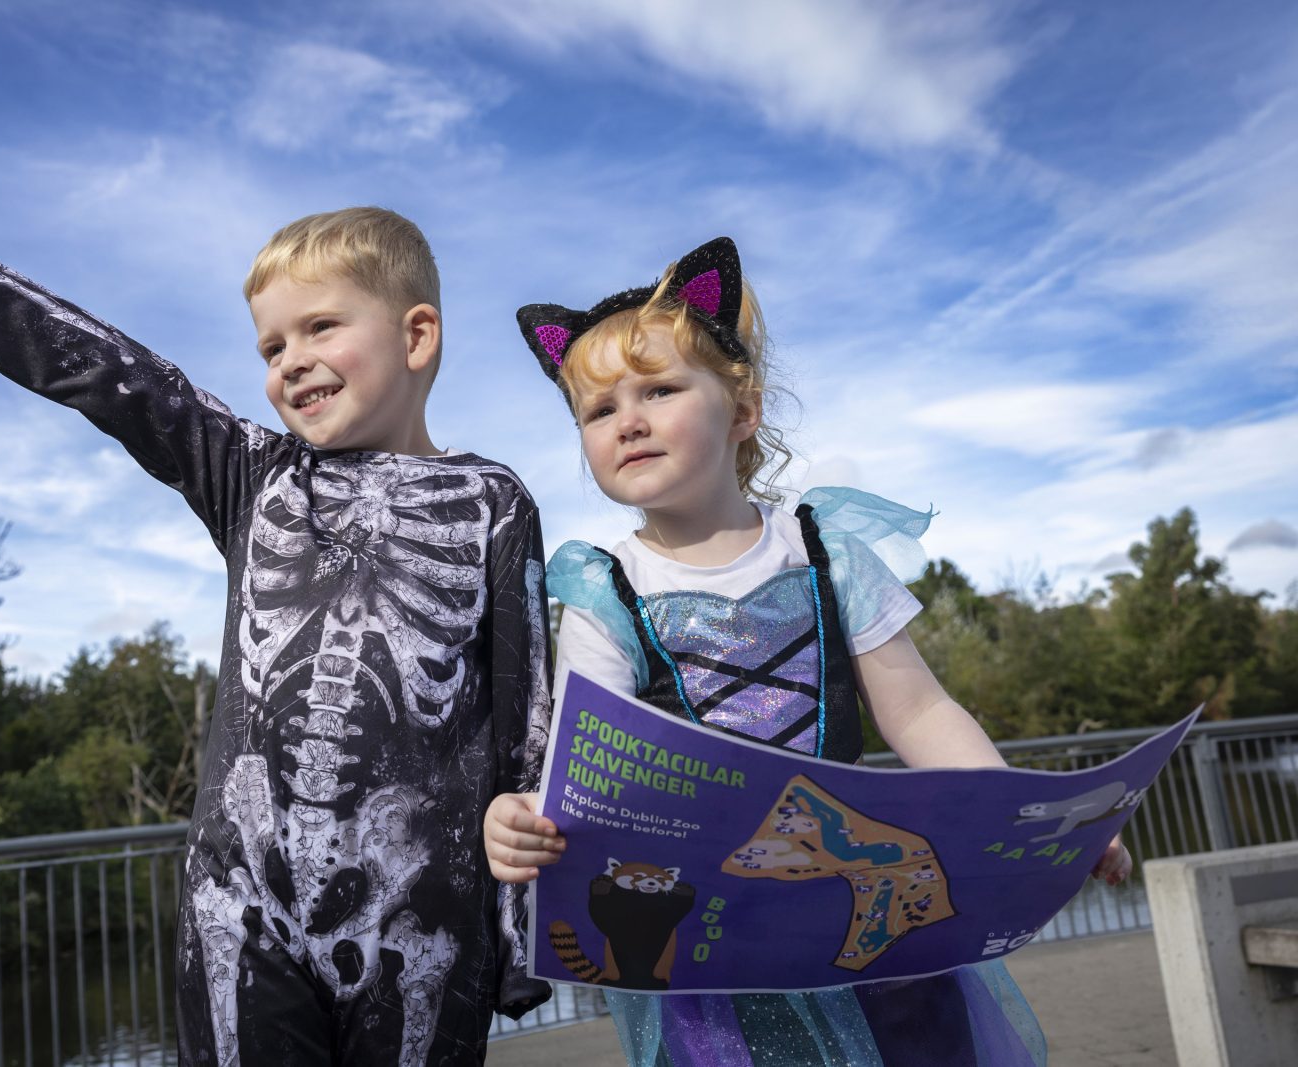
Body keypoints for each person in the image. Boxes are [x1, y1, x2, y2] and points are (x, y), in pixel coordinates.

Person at [0, 172, 555, 1065]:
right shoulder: (257, 480)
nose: (289, 361)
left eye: (321, 327)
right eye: (271, 345)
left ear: (417, 334)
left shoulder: (492, 499)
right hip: (241, 910)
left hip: (423, 917)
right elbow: (122, 381)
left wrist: (521, 932)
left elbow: (529, 711)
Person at [484, 237, 1133, 1066]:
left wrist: (1036, 824)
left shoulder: (824, 552)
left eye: (659, 389)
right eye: (599, 410)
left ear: (743, 410)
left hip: (874, 927)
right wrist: (524, 819)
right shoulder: (606, 587)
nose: (629, 420)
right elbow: (586, 761)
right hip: (720, 956)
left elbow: (925, 713)